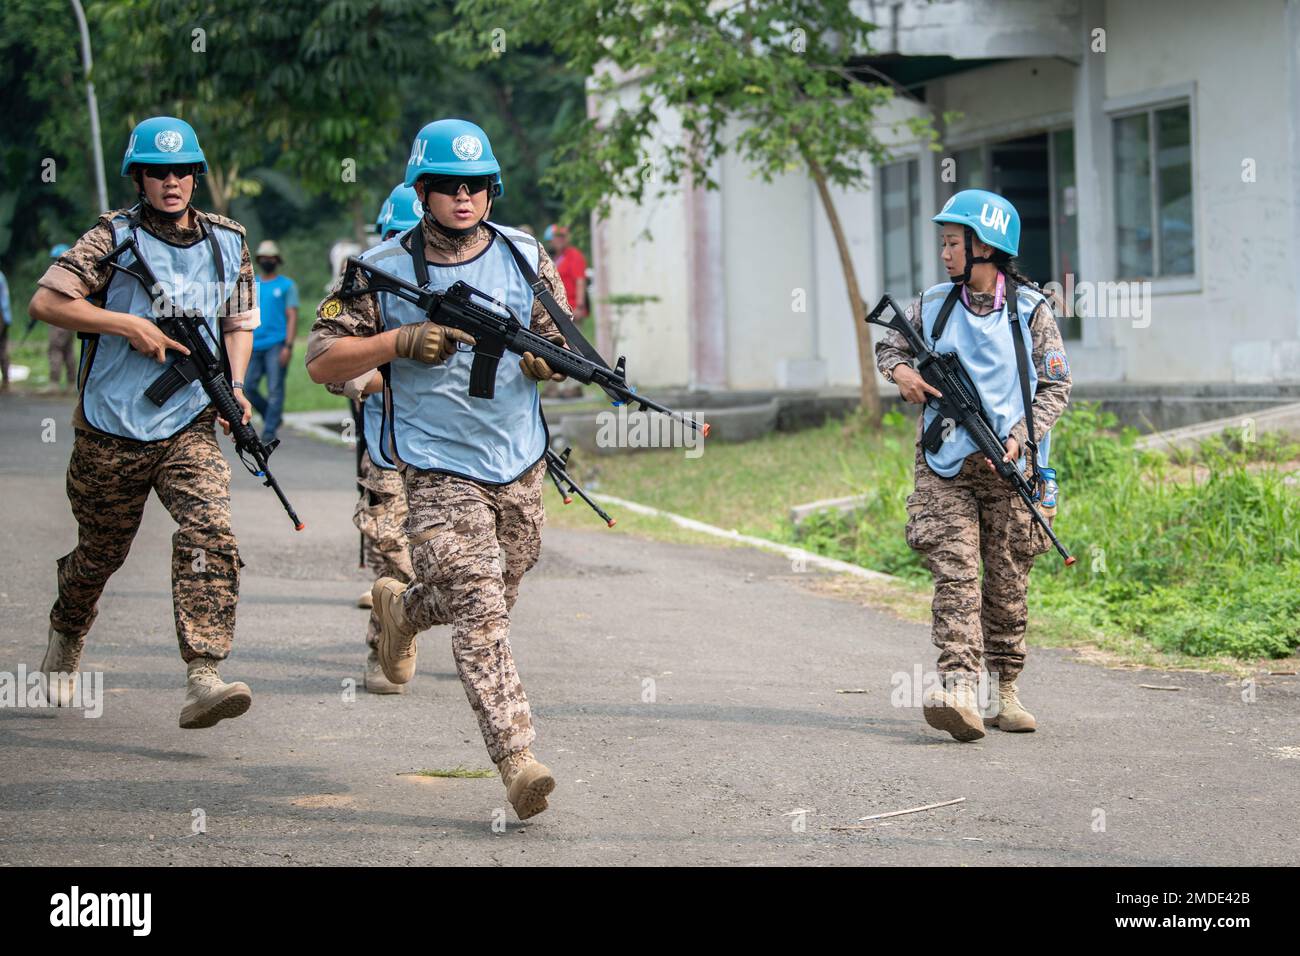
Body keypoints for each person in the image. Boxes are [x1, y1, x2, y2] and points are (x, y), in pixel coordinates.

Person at [307, 118, 573, 819]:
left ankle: (403, 612)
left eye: (476, 186)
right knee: (481, 607)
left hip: (515, 459)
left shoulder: (523, 255)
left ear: (492, 190)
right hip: (432, 465)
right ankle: (518, 760)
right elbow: (321, 361)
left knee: (501, 582)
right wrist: (396, 341)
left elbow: (559, 341)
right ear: (421, 190)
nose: (464, 197)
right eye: (449, 186)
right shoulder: (377, 268)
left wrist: (550, 363)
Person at [26, 116, 259, 728]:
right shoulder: (112, 238)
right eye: (158, 171)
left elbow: (239, 325)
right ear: (140, 177)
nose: (172, 181)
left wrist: (234, 391)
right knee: (100, 554)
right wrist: (125, 324)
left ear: (196, 176)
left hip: (188, 425)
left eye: (182, 170)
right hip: (110, 429)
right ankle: (67, 629)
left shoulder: (228, 242)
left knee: (211, 528)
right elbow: (47, 301)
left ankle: (204, 672)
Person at [874, 188, 1072, 742]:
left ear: (985, 246)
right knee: (956, 572)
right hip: (945, 465)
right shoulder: (932, 303)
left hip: (1012, 467)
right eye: (943, 242)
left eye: (953, 242)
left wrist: (1020, 441)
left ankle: (1006, 691)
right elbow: (888, 346)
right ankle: (959, 690)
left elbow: (1056, 386)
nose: (944, 253)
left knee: (1008, 582)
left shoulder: (1031, 311)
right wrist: (902, 374)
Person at [342, 182, 422, 695]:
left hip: (457, 456)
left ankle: (472, 638)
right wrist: (402, 362)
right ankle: (384, 648)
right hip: (389, 452)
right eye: (400, 236)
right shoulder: (366, 282)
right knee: (393, 552)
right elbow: (342, 375)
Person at [246, 240, 298, 445]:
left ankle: (268, 432)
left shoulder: (286, 285)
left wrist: (289, 345)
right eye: (264, 258)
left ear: (277, 260)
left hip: (277, 343)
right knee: (248, 387)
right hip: (254, 343)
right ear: (259, 260)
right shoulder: (252, 284)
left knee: (275, 388)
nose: (268, 261)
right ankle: (272, 416)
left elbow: (292, 315)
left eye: (271, 258)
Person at [46, 244, 77, 391]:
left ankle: (54, 382)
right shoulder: (75, 274)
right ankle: (71, 383)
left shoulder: (61, 276)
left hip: (59, 318)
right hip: (70, 319)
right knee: (68, 350)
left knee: (55, 349)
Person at [0, 266, 11, 391]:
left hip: (1, 316)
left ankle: (6, 380)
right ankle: (6, 380)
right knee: (2, 348)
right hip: (5, 317)